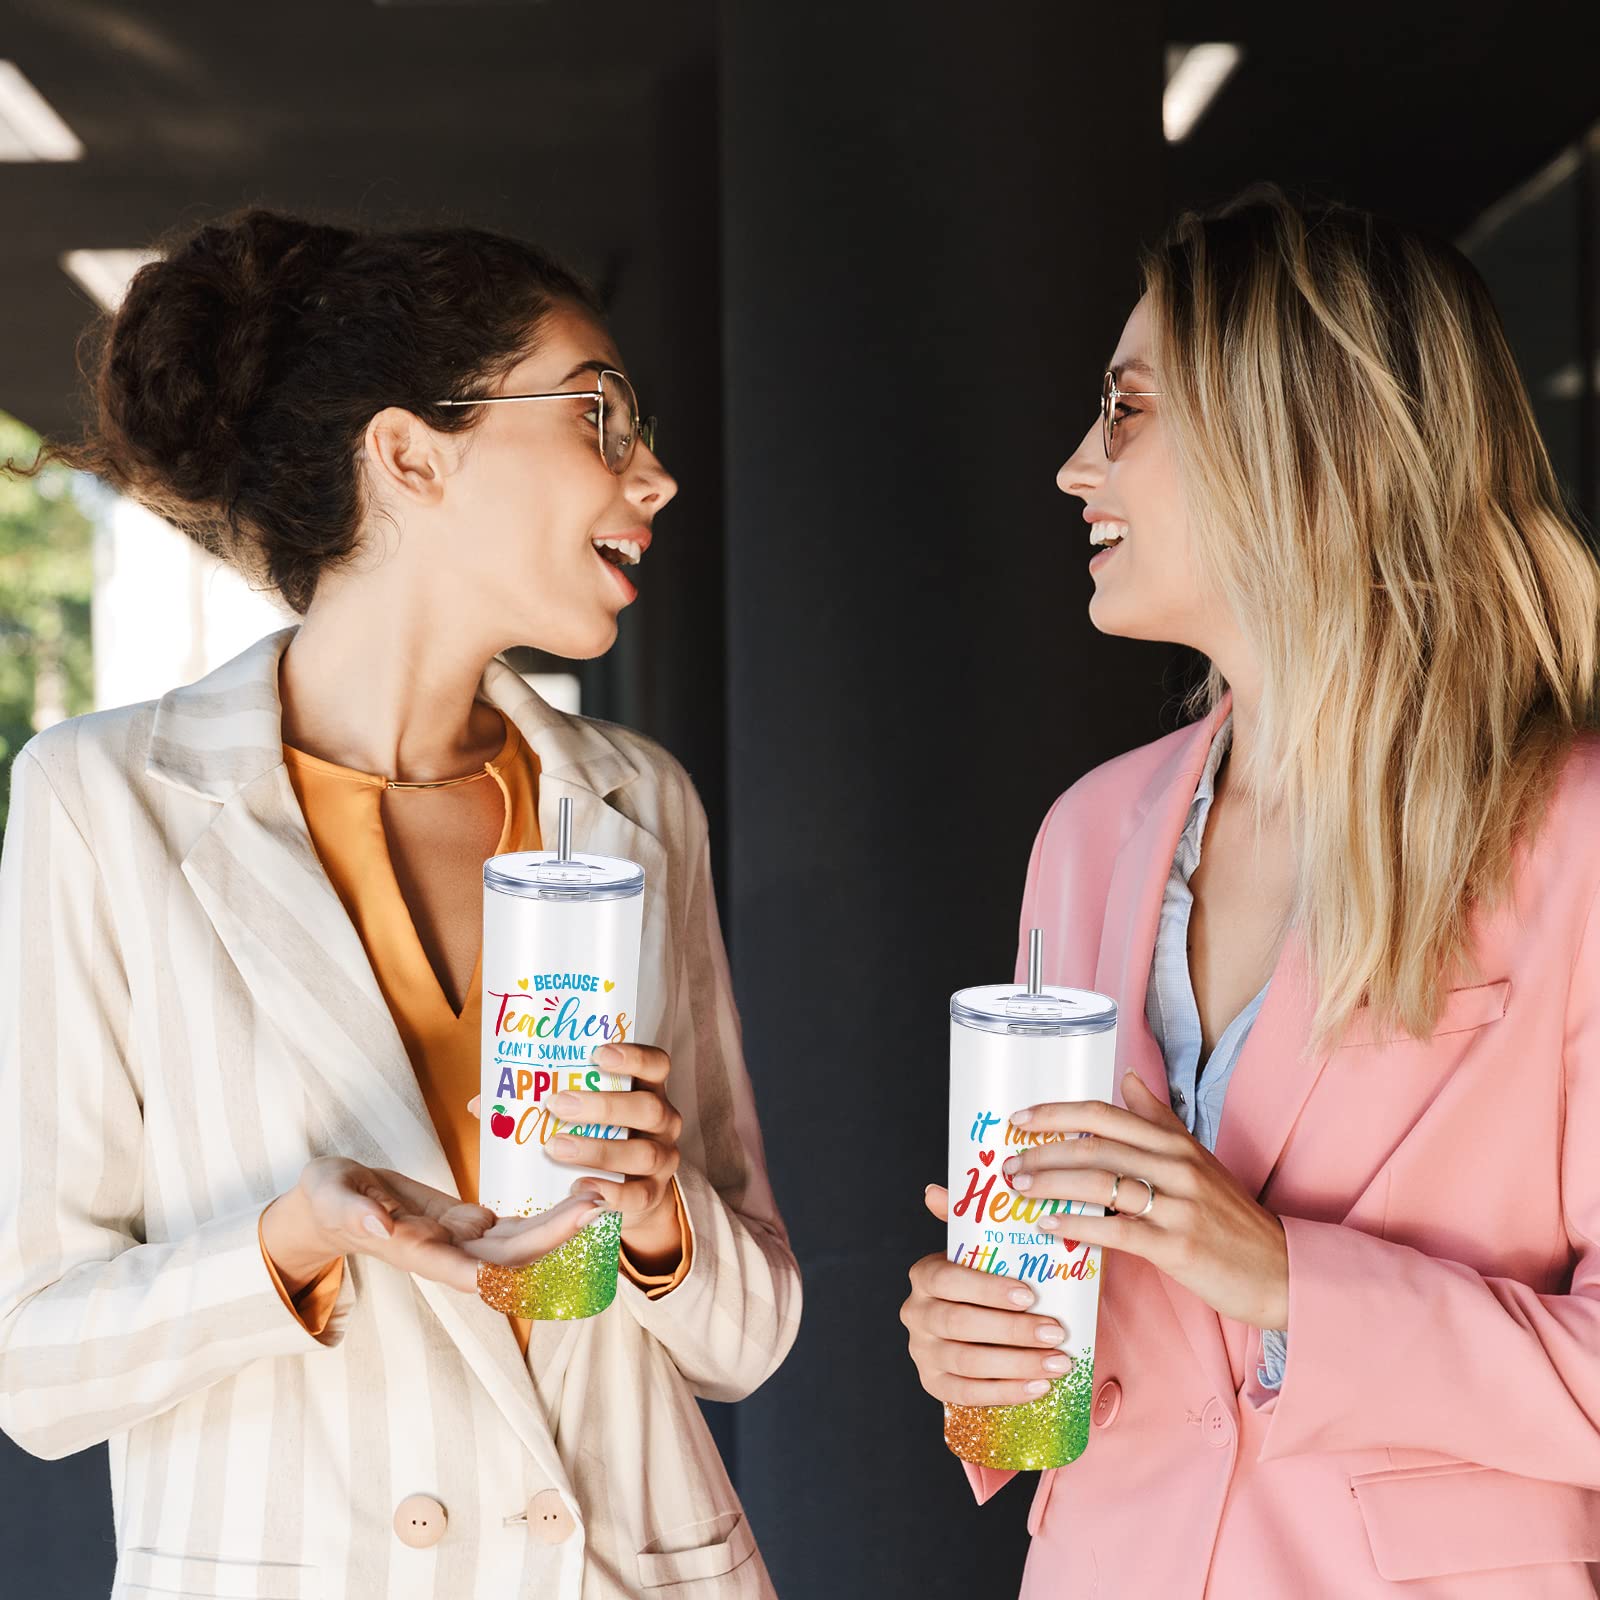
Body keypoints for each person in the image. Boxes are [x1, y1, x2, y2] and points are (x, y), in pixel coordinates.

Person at [0, 207, 799, 1599]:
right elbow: (36, 1368)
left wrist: (662, 1220)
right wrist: (291, 1245)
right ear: (410, 455)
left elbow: (748, 1340)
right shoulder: (99, 801)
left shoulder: (636, 799)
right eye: (600, 414)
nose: (654, 476)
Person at [900, 183, 1600, 1596]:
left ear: (1304, 439)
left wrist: (1288, 1279)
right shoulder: (1089, 835)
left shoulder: (1576, 835)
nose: (1074, 466)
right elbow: (1064, 1383)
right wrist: (989, 1358)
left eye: (1129, 409)